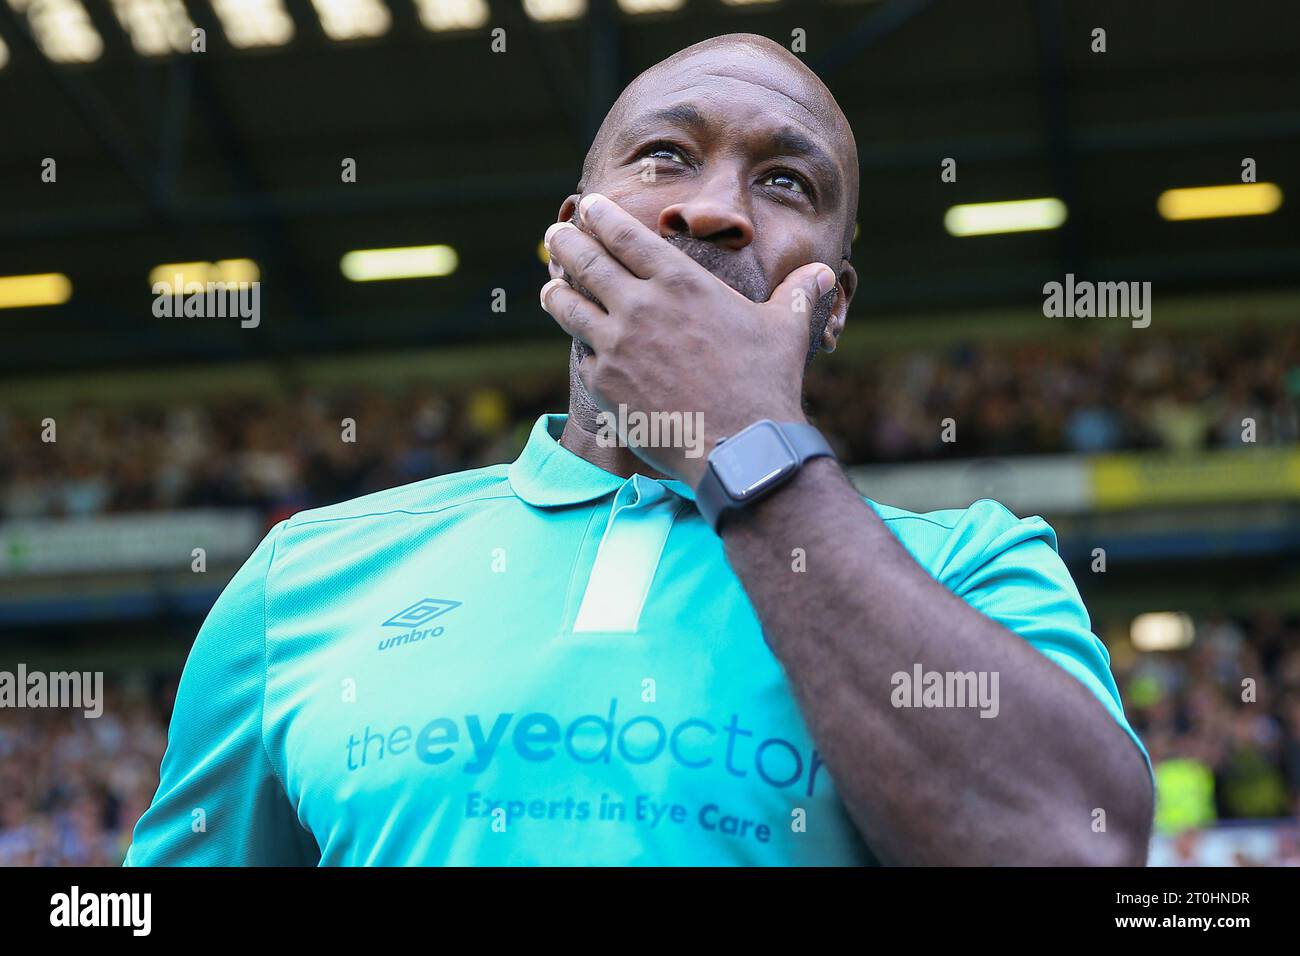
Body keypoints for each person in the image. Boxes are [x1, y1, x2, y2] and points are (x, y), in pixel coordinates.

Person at [126, 33, 1151, 867]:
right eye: (665, 155)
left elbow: (1069, 849)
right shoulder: (302, 576)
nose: (710, 209)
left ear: (830, 304)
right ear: (570, 236)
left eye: (786, 182)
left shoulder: (973, 566)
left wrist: (743, 445)